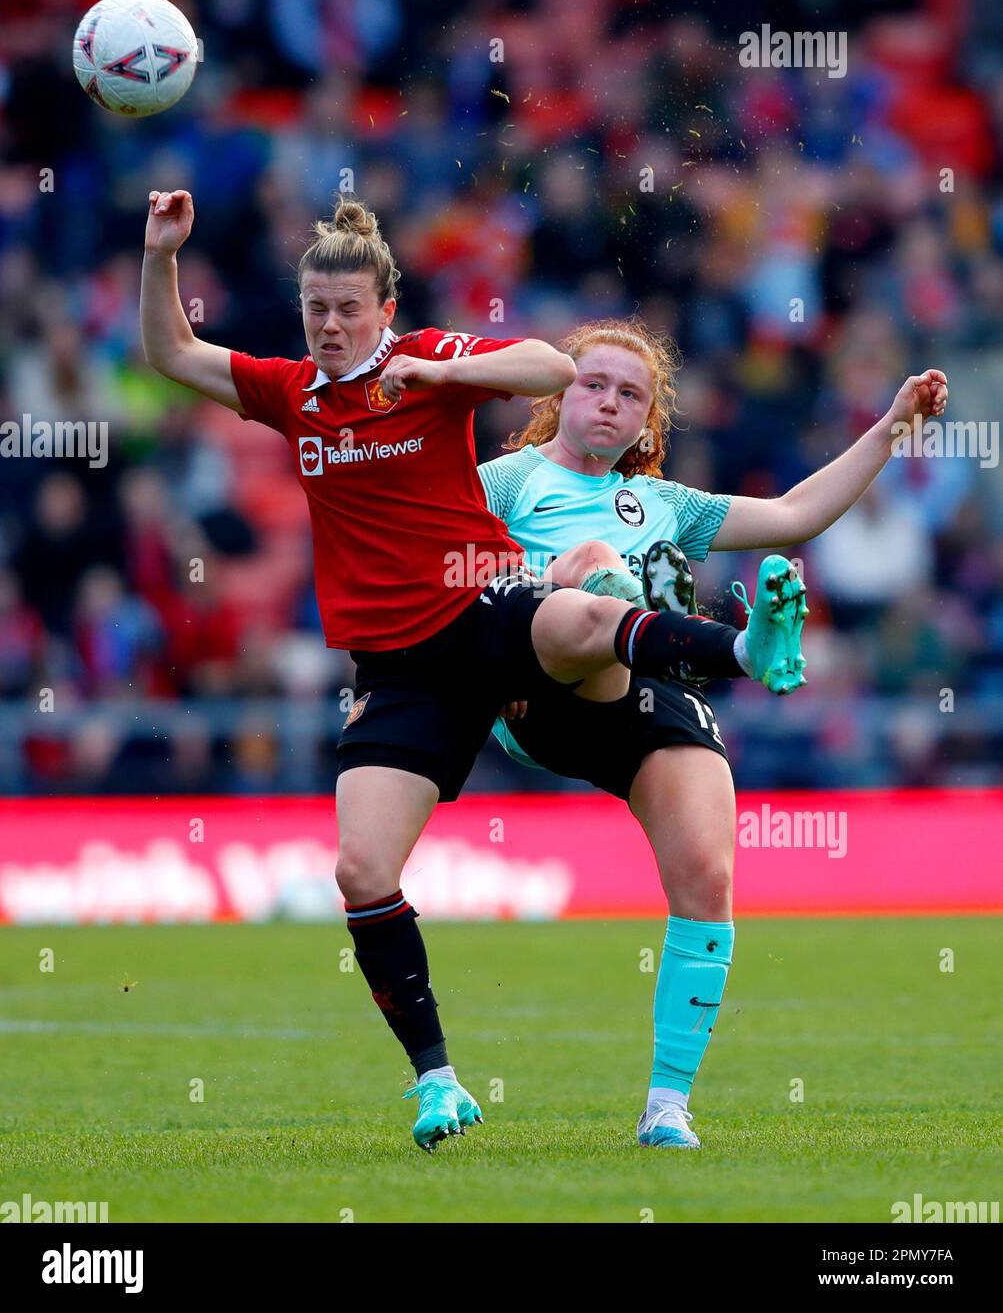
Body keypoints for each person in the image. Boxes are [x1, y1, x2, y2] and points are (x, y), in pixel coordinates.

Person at [141, 191, 808, 1151]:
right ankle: (439, 1084)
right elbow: (171, 355)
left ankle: (740, 652)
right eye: (315, 310)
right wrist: (163, 254)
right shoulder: (293, 393)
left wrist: (432, 368)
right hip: (400, 664)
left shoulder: (435, 363)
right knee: (361, 868)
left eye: (347, 310)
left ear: (383, 309)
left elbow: (549, 365)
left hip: (479, 608)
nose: (329, 327)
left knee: (582, 600)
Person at [479, 317, 947, 1148]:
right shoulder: (506, 481)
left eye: (631, 395)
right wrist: (536, 580)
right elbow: (445, 570)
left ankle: (666, 1108)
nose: (609, 403)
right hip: (540, 688)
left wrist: (888, 427)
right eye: (593, 384)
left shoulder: (662, 502)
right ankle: (700, 631)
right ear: (558, 395)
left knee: (705, 874)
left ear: (647, 423)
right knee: (589, 564)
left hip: (647, 691)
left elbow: (797, 513)